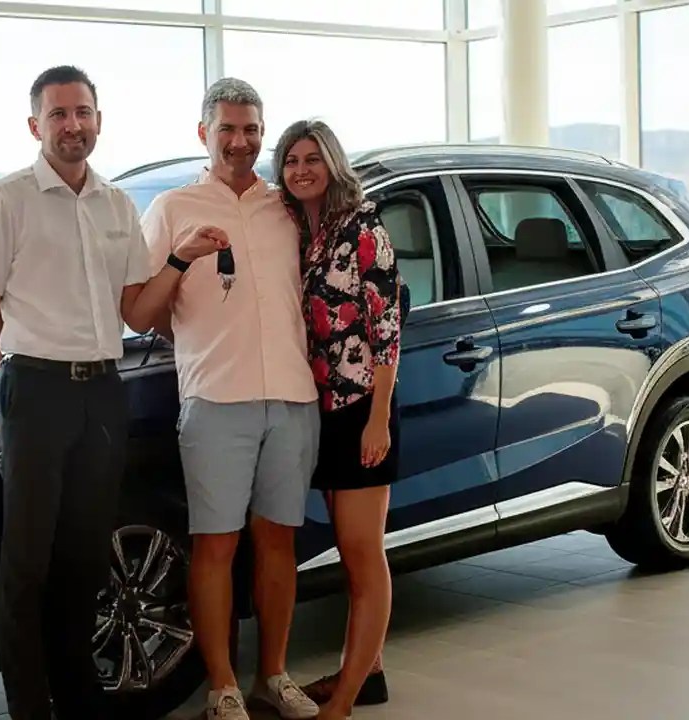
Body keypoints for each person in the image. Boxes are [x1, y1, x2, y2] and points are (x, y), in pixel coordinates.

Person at [0, 65, 226, 720]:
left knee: (86, 555)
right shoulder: (6, 200)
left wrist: (180, 259)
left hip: (102, 392)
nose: (72, 125)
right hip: (37, 389)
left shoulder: (115, 204)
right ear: (35, 126)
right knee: (27, 561)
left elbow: (136, 310)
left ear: (99, 120)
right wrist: (13, 368)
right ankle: (29, 706)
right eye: (58, 115)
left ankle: (79, 699)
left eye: (82, 112)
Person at [140, 77, 321, 720]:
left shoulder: (290, 208)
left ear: (262, 133)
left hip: (294, 397)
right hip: (217, 400)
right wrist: (181, 261)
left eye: (250, 130)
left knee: (278, 543)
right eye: (227, 130)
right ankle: (221, 687)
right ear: (203, 134)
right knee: (215, 545)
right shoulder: (171, 209)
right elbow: (139, 313)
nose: (240, 142)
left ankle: (274, 676)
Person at [273, 118, 403, 720]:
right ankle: (366, 671)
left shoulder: (363, 228)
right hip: (320, 409)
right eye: (291, 160)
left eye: (312, 159)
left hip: (360, 412)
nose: (301, 169)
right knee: (350, 551)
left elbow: (386, 331)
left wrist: (378, 419)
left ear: (332, 163)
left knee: (361, 553)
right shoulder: (307, 232)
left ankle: (344, 702)